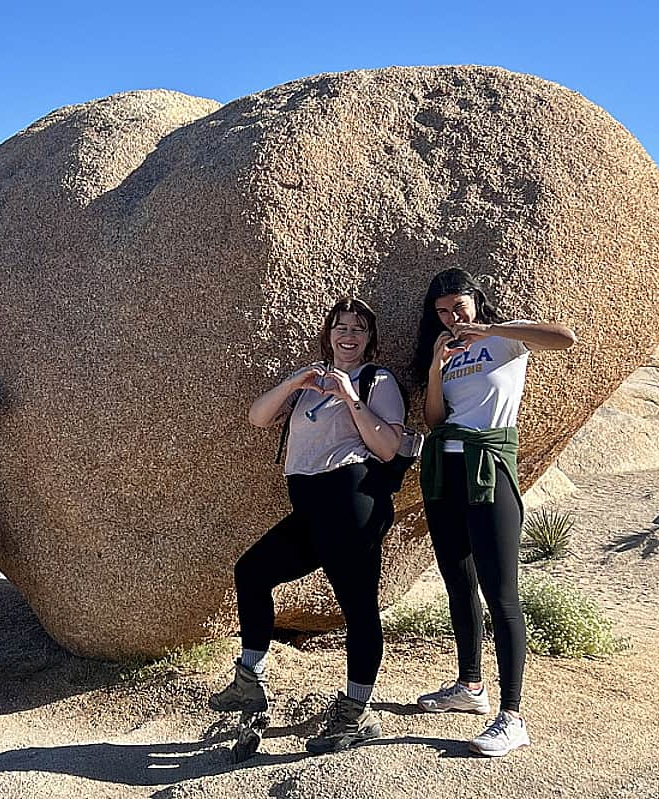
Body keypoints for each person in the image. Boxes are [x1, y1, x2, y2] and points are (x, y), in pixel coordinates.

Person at [209, 296, 407, 755]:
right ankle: (250, 678)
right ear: (329, 333)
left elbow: (388, 447)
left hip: (351, 500)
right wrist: (297, 380)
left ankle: (357, 713)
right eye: (341, 326)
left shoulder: (378, 381)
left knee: (358, 606)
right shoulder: (309, 383)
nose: (349, 335)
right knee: (252, 572)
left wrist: (351, 398)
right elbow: (258, 417)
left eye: (358, 327)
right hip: (310, 508)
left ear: (369, 338)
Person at [411, 267, 576, 757]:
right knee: (457, 582)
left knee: (501, 591)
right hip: (445, 469)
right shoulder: (444, 349)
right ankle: (469, 687)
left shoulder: (505, 340)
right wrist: (437, 367)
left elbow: (563, 337)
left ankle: (513, 714)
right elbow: (435, 420)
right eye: (442, 311)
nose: (451, 316)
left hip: (491, 467)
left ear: (476, 300)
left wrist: (491, 328)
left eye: (457, 306)